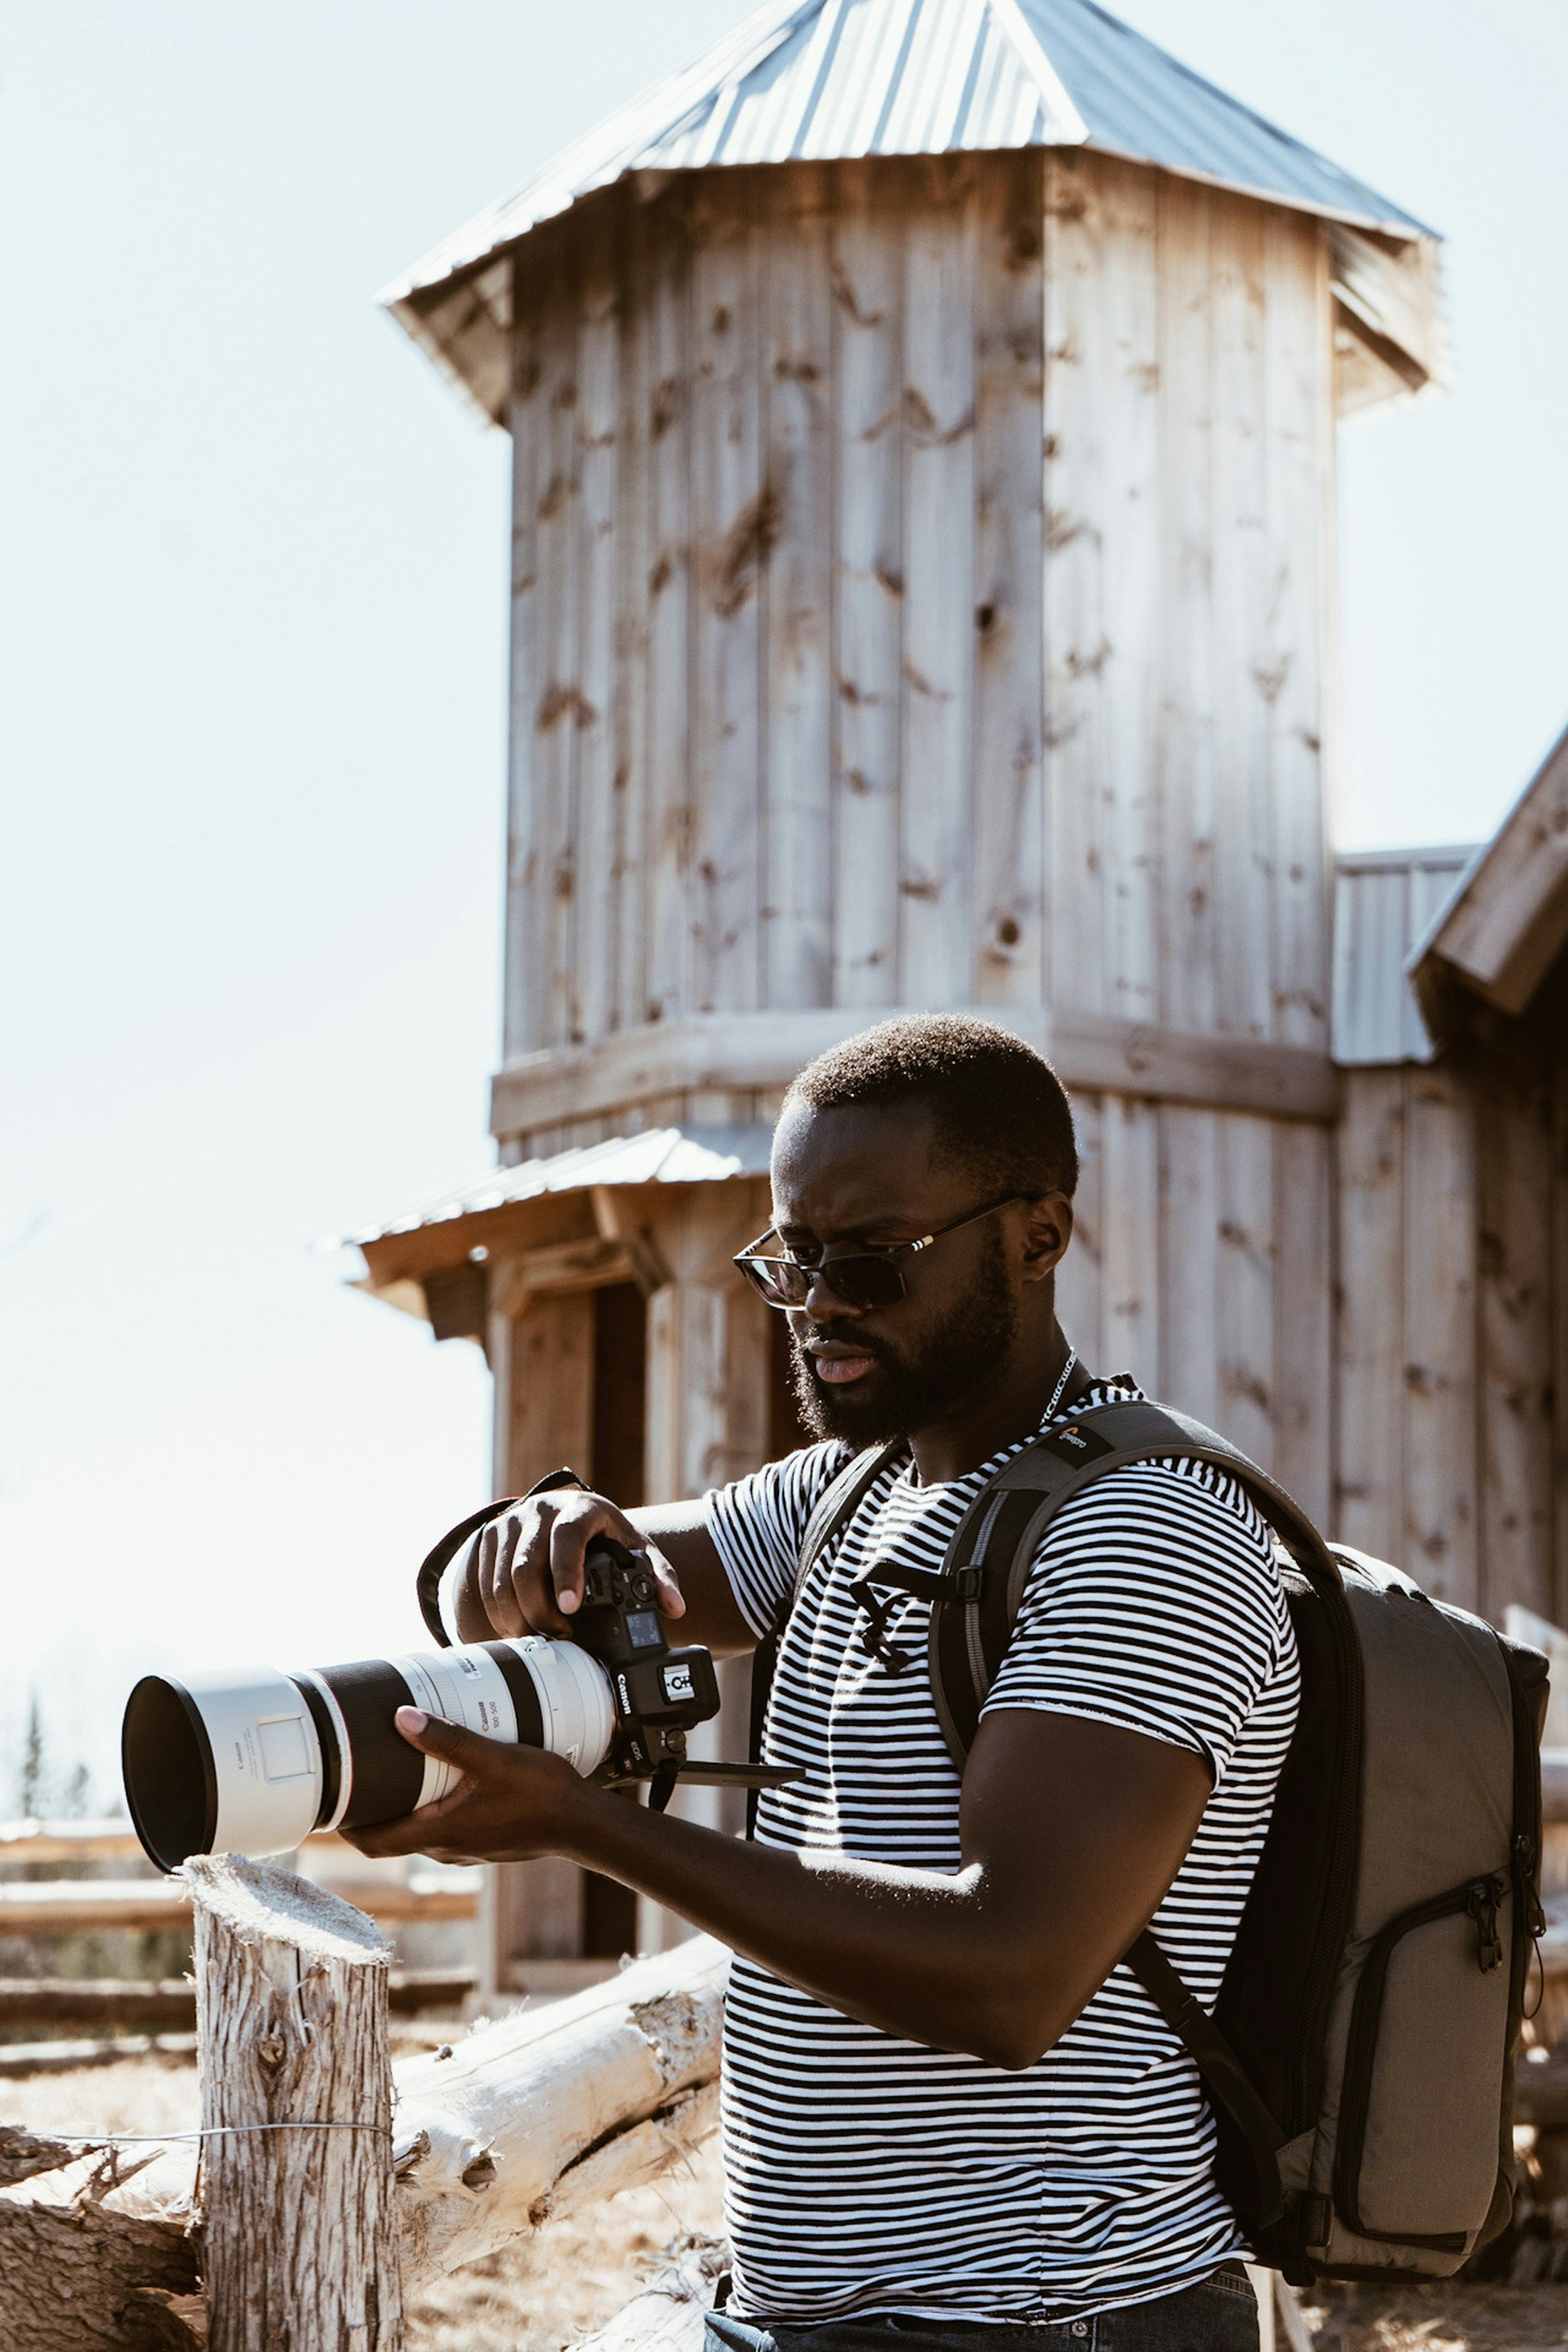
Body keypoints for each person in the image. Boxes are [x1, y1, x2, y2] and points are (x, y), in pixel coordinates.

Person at [349, 1014, 1298, 2350]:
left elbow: (1007, 1974)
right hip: (791, 2314)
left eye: (870, 1257)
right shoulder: (847, 1493)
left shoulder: (1140, 1533)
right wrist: (528, 1540)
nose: (822, 1301)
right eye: (793, 1255)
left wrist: (581, 1825)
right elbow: (591, 1586)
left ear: (1037, 1235)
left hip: (1043, 2325)